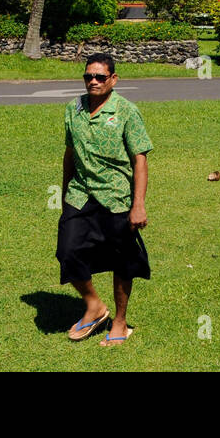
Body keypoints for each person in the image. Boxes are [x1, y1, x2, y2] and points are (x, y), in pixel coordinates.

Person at [56, 52, 152, 346]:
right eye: (88, 77)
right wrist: (64, 195)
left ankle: (120, 322)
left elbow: (140, 159)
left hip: (116, 195)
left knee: (122, 261)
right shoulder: (74, 110)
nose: (93, 81)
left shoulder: (126, 111)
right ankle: (95, 306)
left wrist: (138, 205)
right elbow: (70, 154)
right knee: (67, 251)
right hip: (81, 193)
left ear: (113, 79)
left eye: (100, 77)